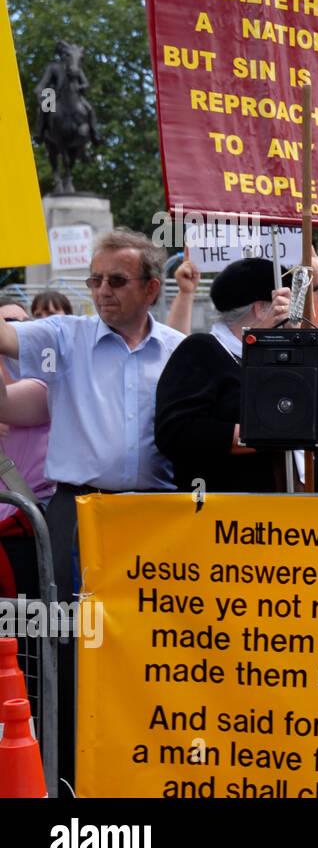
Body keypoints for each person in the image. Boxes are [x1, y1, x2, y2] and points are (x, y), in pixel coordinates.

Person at [0, 227, 184, 794]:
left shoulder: (180, 350)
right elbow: (7, 340)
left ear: (152, 288)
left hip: (155, 520)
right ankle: (68, 776)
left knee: (147, 646)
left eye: (116, 280)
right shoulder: (66, 336)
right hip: (73, 516)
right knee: (67, 645)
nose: (102, 291)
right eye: (95, 280)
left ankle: (144, 770)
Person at [154, 259, 295, 493]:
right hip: (220, 514)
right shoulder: (202, 350)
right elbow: (176, 432)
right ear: (261, 308)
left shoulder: (273, 358)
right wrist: (270, 434)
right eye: (289, 304)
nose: (294, 314)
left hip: (276, 515)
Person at [0, 302, 53, 599]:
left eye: (25, 323)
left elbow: (6, 405)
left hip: (21, 532)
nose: (17, 330)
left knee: (23, 637)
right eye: (8, 322)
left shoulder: (44, 386)